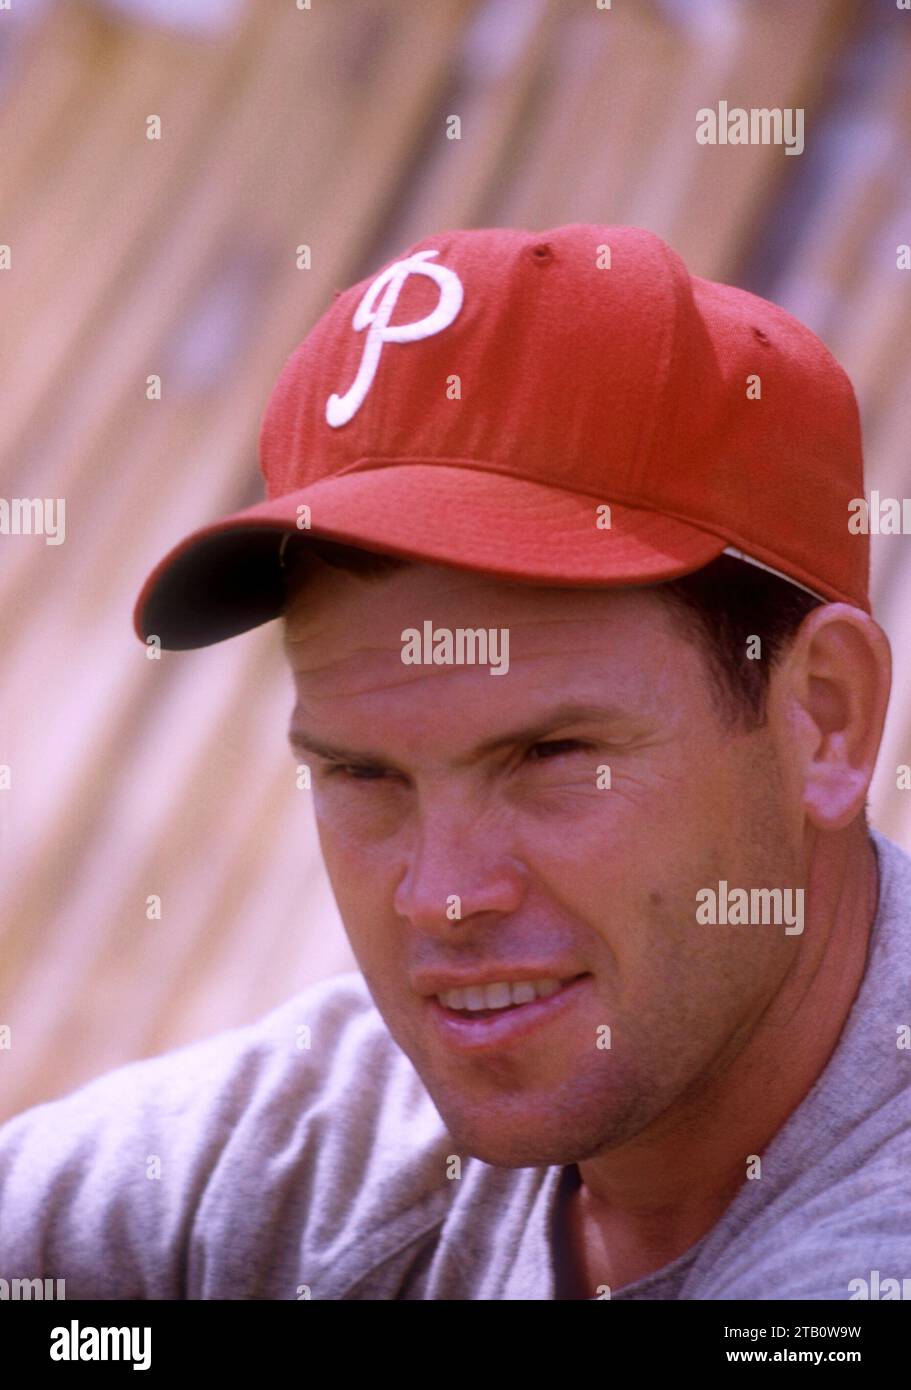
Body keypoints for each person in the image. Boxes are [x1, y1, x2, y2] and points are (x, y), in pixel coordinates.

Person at [0, 223, 907, 1301]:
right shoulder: (323, 1150)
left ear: (823, 718)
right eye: (364, 776)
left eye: (549, 754)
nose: (441, 898)